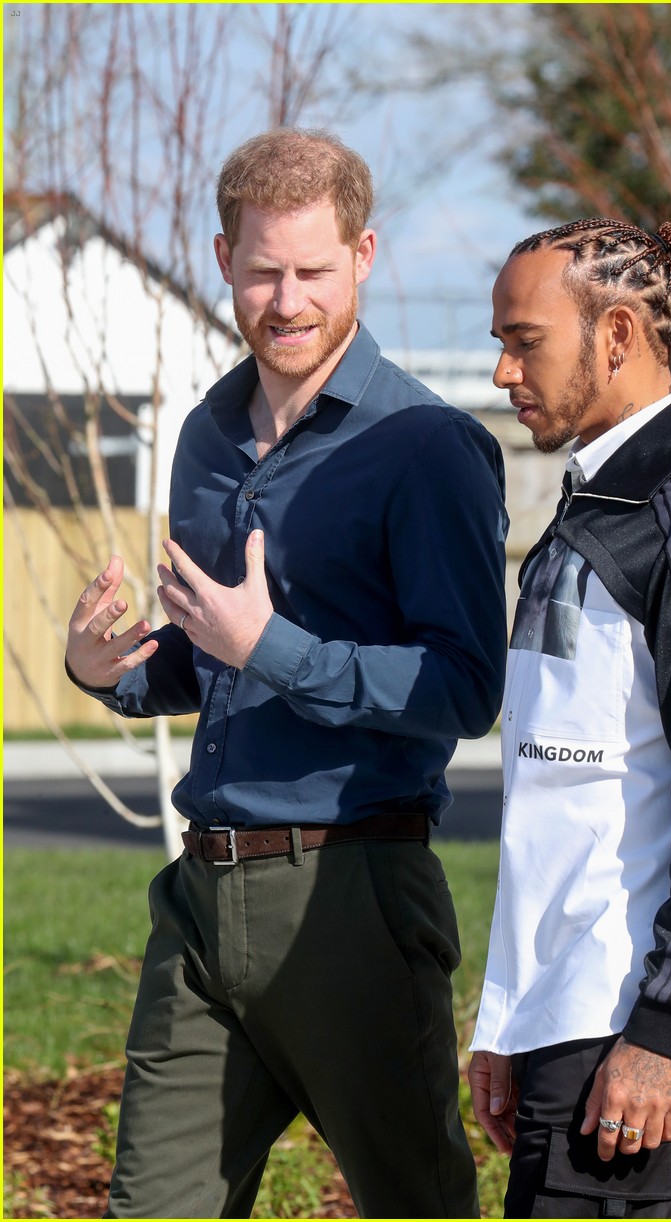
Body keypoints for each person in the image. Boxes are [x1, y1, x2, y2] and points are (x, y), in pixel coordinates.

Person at [65, 127, 508, 1219]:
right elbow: (214, 658)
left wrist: (271, 645)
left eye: (314, 269)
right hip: (200, 901)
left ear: (364, 254)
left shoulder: (428, 444)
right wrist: (109, 672)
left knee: (420, 1208)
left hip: (351, 893)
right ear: (224, 259)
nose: (288, 299)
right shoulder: (206, 435)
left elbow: (464, 688)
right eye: (263, 270)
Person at [468, 216, 671, 1218]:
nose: (501, 370)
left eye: (524, 339)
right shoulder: (601, 503)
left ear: (615, 335)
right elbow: (558, 796)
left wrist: (664, 1031)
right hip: (568, 1018)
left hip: (630, 1032)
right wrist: (506, 1017)